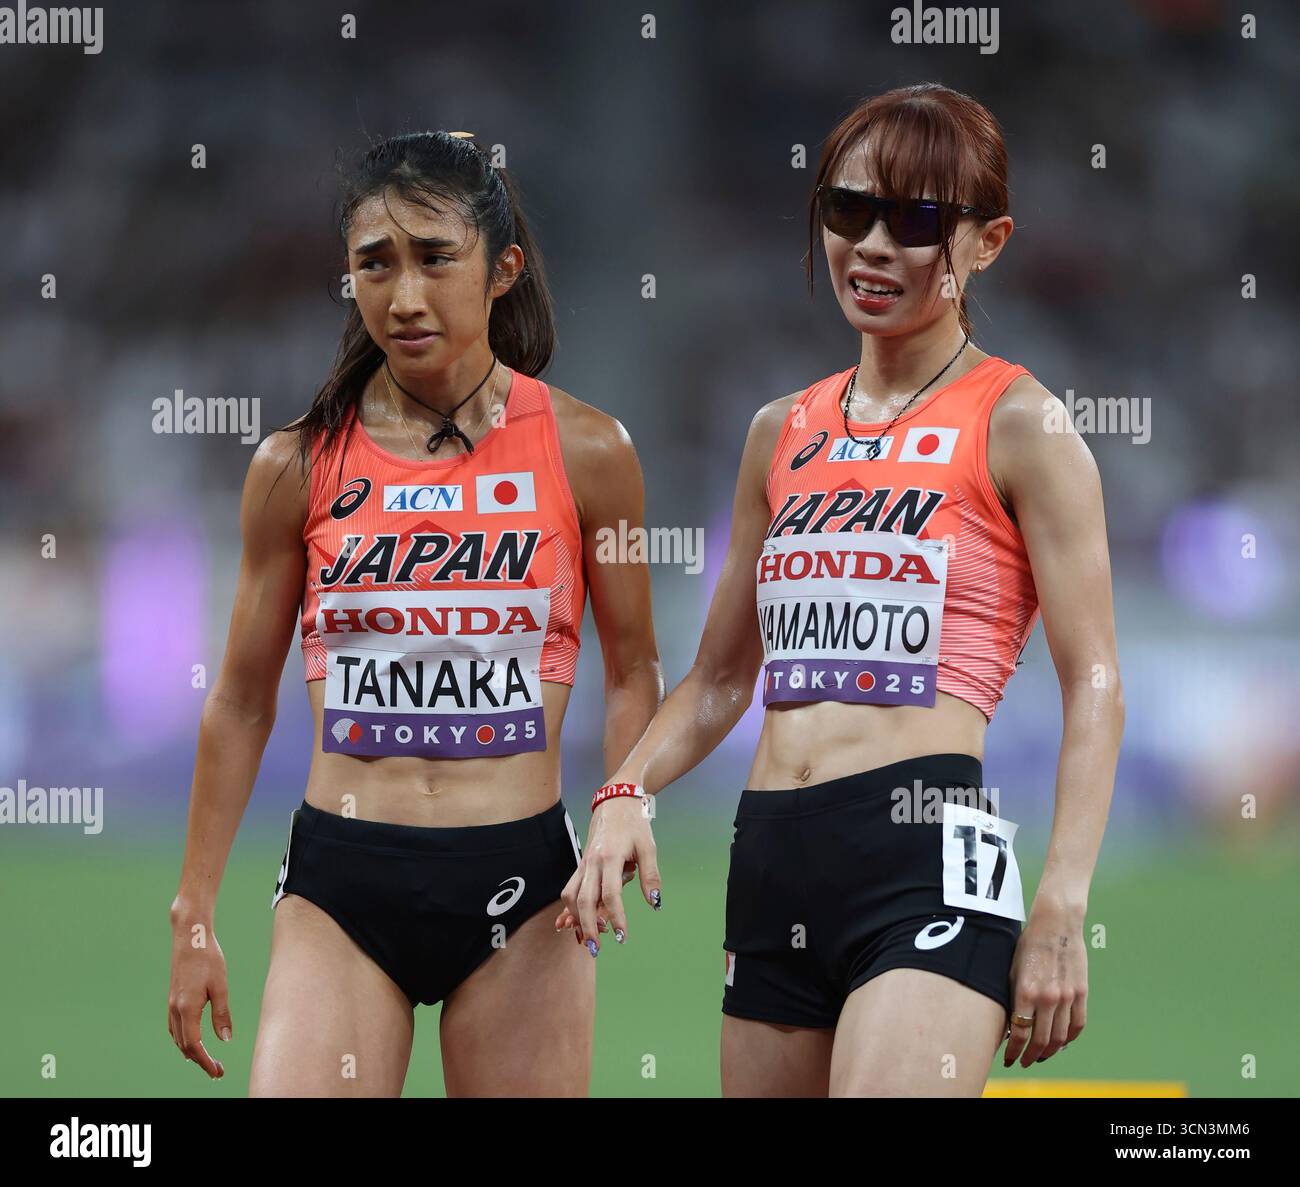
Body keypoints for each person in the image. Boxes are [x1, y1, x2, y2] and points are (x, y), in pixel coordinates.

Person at [558, 83, 1124, 1097]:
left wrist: (1062, 906)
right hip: (772, 854)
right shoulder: (781, 431)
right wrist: (622, 788)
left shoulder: (1022, 426)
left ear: (987, 241)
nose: (870, 245)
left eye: (912, 221)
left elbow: (1095, 681)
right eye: (844, 209)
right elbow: (723, 679)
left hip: (929, 853)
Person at [167, 130, 662, 1097]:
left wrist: (623, 800)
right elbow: (238, 701)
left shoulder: (591, 452)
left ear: (502, 268)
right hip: (342, 885)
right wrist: (193, 913)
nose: (403, 296)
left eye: (436, 258)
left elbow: (637, 667)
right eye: (373, 264)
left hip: (528, 892)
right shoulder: (294, 465)